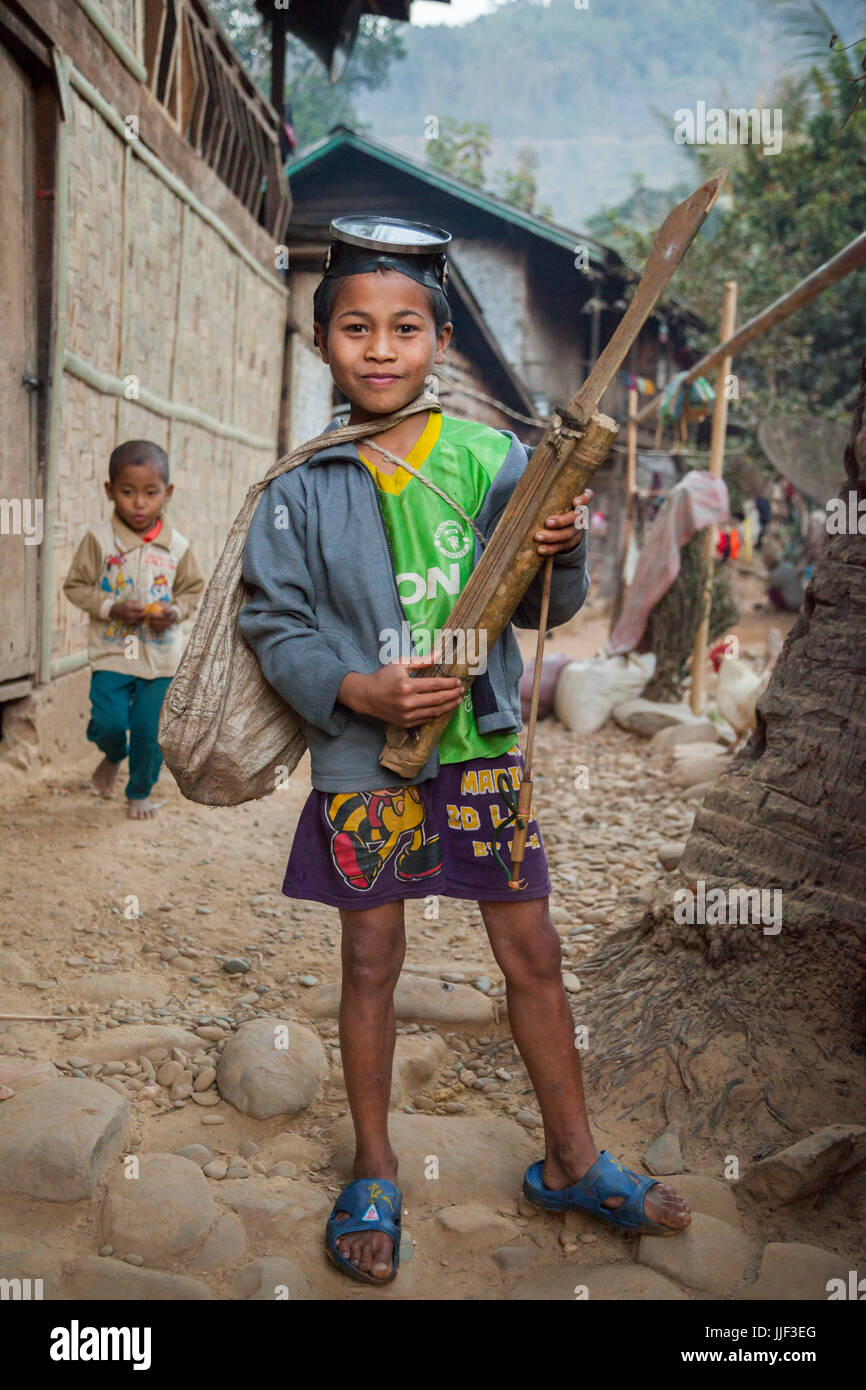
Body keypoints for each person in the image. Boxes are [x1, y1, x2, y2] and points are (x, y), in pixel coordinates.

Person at [239, 215, 691, 1286]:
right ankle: (376, 1167)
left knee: (530, 952)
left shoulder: (495, 459)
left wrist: (559, 548)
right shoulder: (300, 490)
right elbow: (274, 624)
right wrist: (356, 684)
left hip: (481, 747)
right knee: (369, 960)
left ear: (439, 339)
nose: (381, 348)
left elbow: (547, 607)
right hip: (362, 757)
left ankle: (572, 1159)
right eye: (356, 328)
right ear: (322, 345)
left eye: (405, 327)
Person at [63, 440, 204, 818]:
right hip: (115, 649)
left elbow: (192, 589)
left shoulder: (176, 547)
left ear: (167, 494)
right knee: (109, 722)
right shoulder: (99, 541)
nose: (139, 503)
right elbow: (75, 586)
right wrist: (110, 607)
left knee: (148, 732)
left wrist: (173, 613)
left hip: (159, 658)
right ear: (110, 491)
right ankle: (112, 753)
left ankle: (139, 791)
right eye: (127, 492)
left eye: (150, 493)